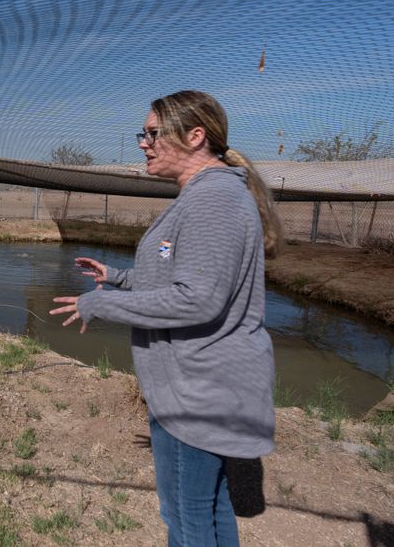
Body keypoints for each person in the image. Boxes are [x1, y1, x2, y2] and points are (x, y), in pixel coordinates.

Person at [49, 90, 282, 547]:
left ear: (196, 136)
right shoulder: (207, 195)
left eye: (153, 133)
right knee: (211, 507)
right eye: (144, 133)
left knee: (185, 516)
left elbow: (197, 300)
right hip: (200, 388)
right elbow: (183, 277)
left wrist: (98, 304)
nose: (143, 143)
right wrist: (117, 278)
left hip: (199, 391)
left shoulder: (213, 200)